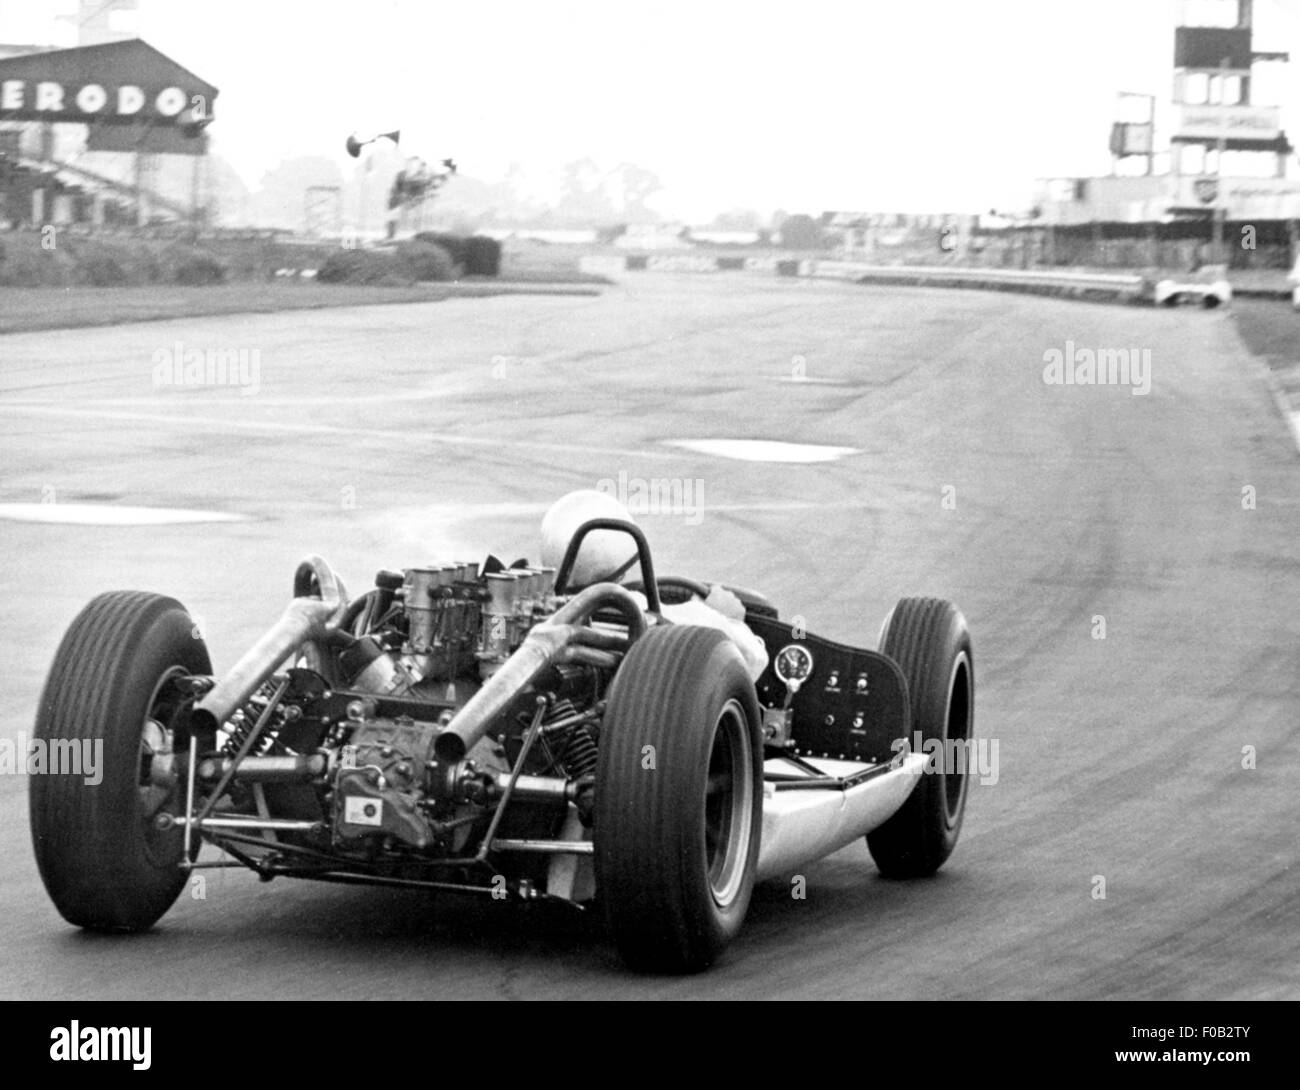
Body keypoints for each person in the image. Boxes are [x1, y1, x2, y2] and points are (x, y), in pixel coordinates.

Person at [539, 490, 769, 679]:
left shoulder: (532, 618)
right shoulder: (683, 619)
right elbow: (753, 659)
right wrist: (730, 619)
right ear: (624, 553)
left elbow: (500, 633)